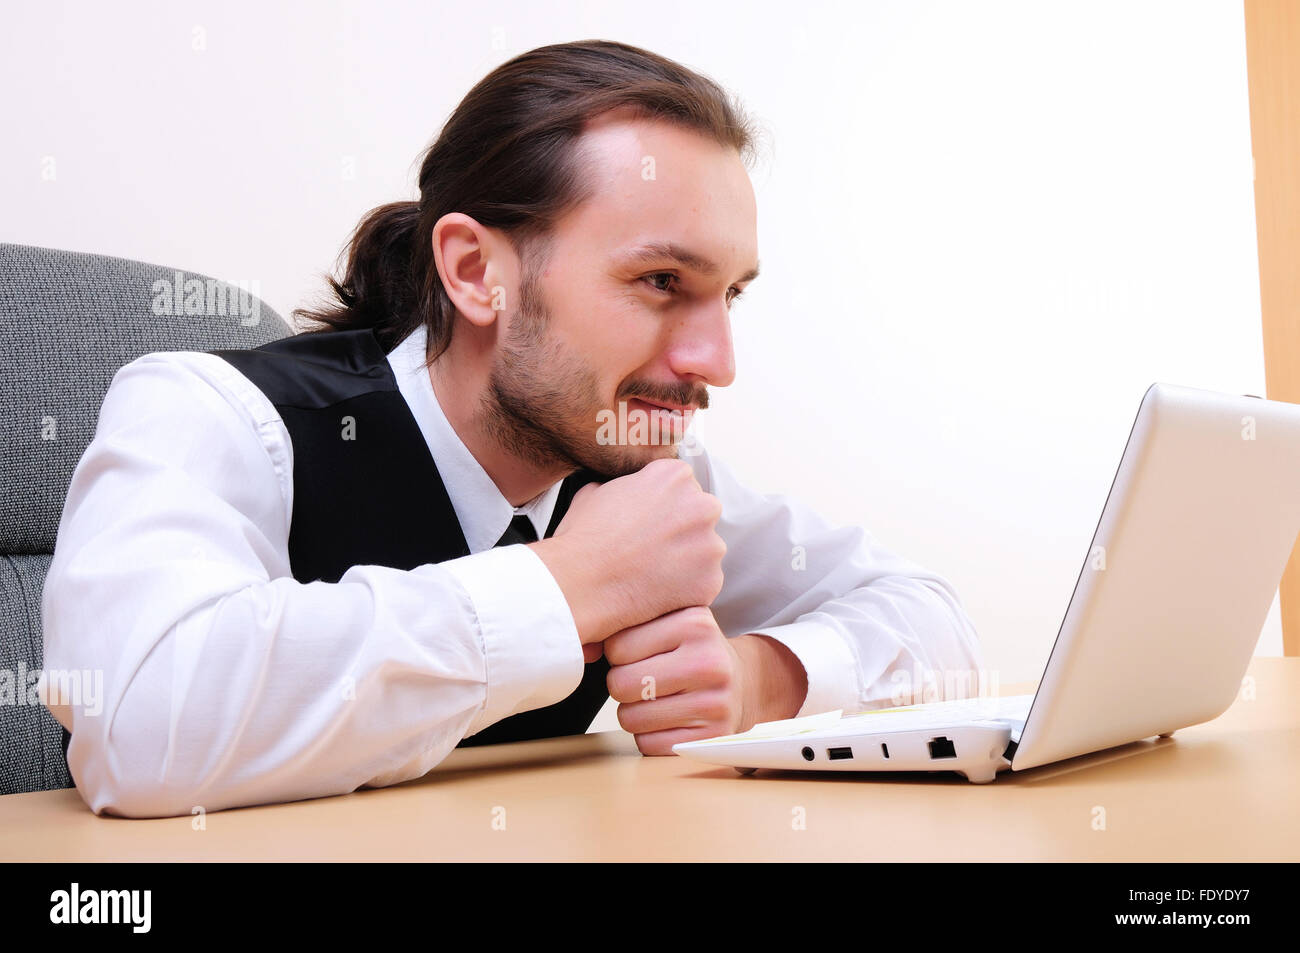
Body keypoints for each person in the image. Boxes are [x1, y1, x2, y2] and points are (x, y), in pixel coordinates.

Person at [40, 39, 984, 818]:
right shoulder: (211, 412)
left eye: (728, 294)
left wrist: (759, 677)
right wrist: (567, 587)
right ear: (472, 270)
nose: (716, 360)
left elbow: (934, 620)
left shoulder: (635, 463)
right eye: (662, 282)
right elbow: (138, 721)